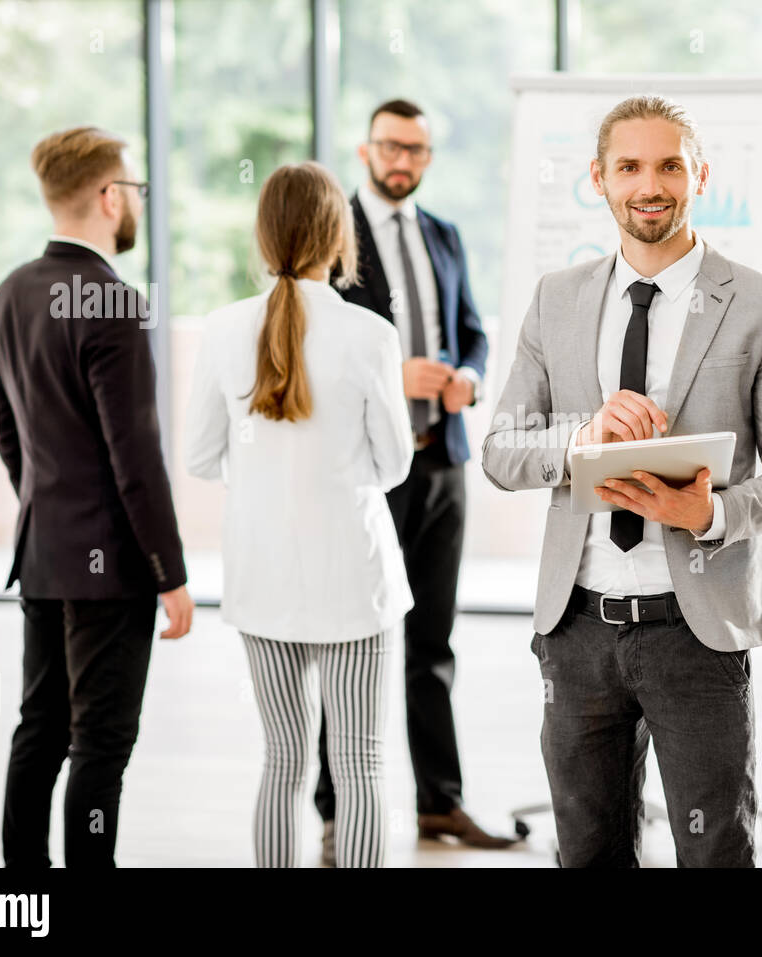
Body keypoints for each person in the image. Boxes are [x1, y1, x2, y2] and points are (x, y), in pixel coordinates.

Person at [482, 95, 762, 867]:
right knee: (589, 851)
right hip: (575, 632)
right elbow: (502, 452)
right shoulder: (556, 299)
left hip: (695, 631)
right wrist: (580, 437)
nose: (650, 184)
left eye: (670, 164)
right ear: (598, 180)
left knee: (715, 854)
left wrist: (711, 511)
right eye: (629, 166)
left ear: (699, 174)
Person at [185, 161, 413, 868]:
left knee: (280, 761)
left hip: (262, 576)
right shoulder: (369, 333)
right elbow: (396, 462)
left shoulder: (222, 330)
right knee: (360, 764)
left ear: (263, 235)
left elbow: (198, 457)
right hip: (355, 577)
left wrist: (264, 478)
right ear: (338, 236)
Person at [0, 126, 194, 867]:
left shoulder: (8, 294)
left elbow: (10, 439)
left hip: (42, 553)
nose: (134, 202)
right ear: (109, 197)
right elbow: (135, 455)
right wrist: (170, 572)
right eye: (133, 189)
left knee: (38, 728)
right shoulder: (115, 301)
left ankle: (23, 892)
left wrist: (53, 517)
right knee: (99, 746)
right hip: (109, 572)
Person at [315, 98, 512, 860]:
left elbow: (472, 329)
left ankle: (441, 802)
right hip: (366, 468)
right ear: (366, 151)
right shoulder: (333, 238)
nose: (404, 160)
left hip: (442, 457)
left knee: (433, 643)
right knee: (353, 638)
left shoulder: (444, 234)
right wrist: (392, 374)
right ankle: (337, 810)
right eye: (392, 146)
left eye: (418, 150)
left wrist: (469, 373)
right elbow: (314, 341)